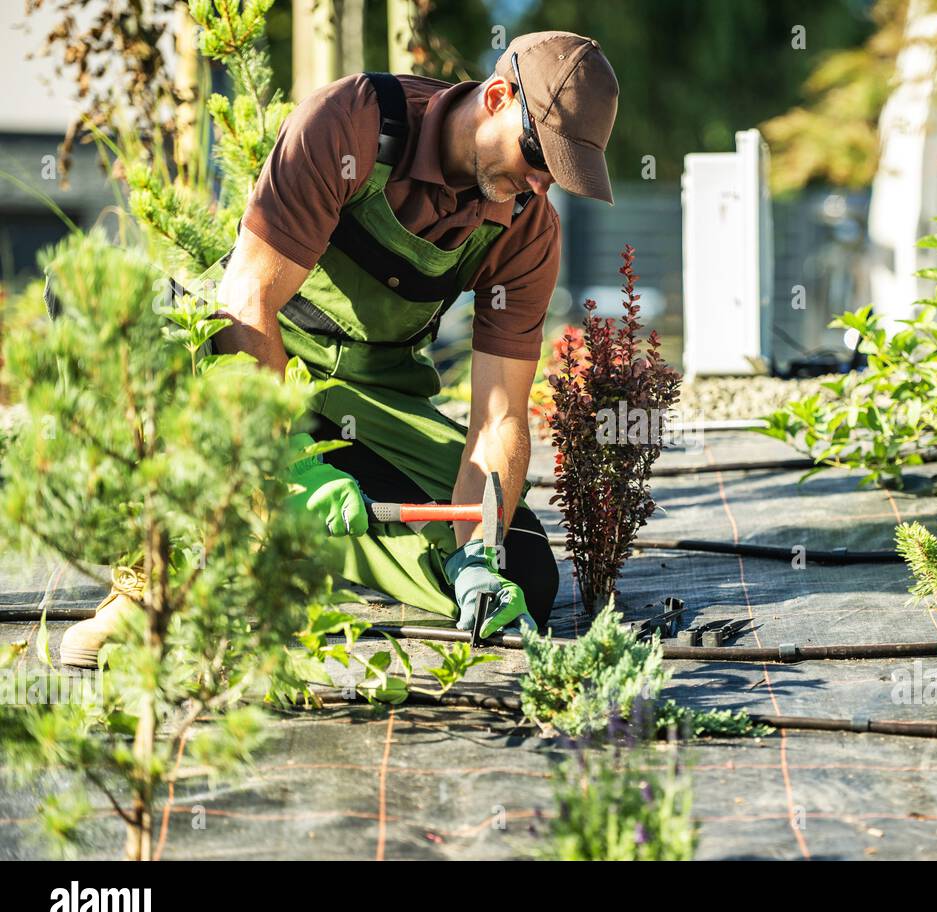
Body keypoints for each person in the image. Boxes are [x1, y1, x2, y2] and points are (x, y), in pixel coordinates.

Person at [59, 31, 619, 668]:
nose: (540, 185)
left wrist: (480, 551)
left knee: (525, 571)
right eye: (536, 156)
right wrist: (291, 461)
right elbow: (247, 301)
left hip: (373, 404)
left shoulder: (525, 230)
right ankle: (156, 579)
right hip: (249, 365)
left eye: (558, 176)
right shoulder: (351, 123)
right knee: (92, 296)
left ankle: (269, 544)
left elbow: (500, 417)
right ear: (497, 96)